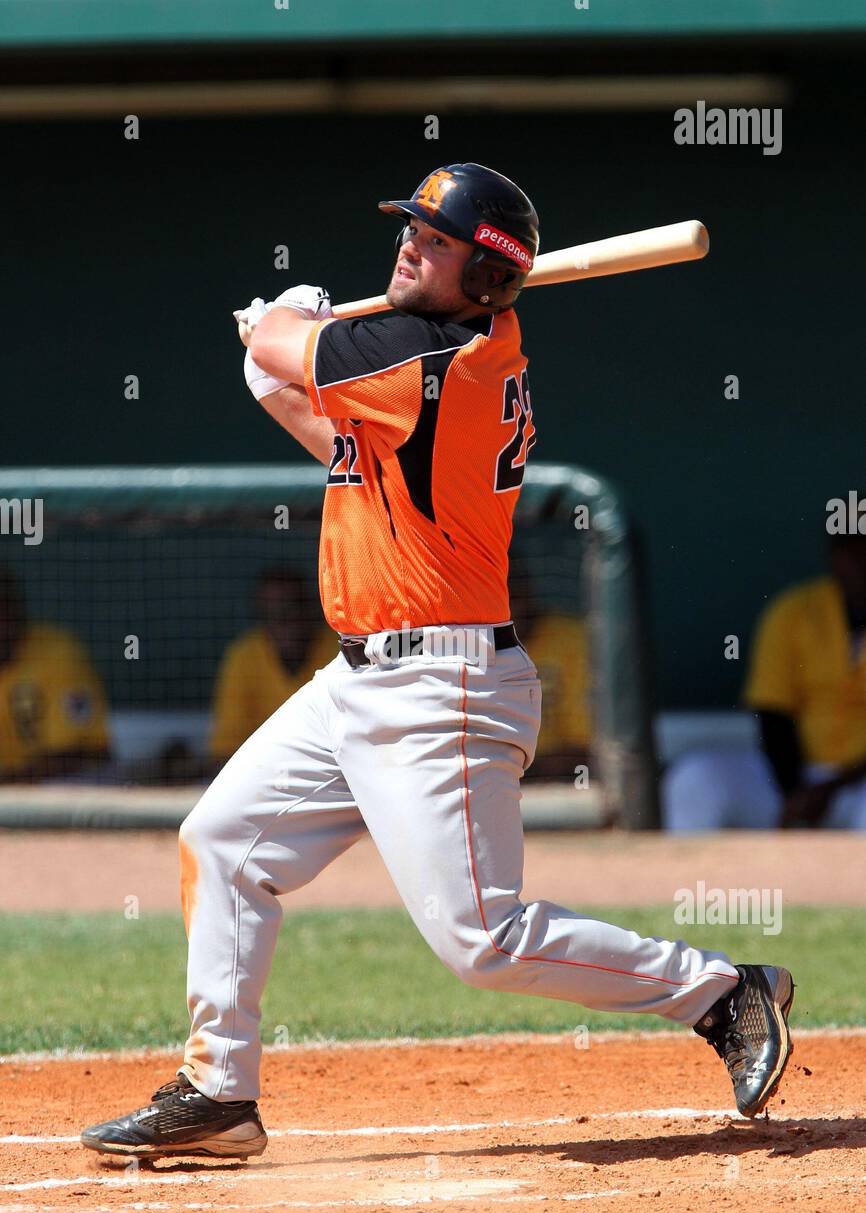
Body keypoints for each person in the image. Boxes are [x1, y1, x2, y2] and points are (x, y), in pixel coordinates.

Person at [81, 163, 794, 1161]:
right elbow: (340, 442)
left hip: (439, 690)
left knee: (481, 941)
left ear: (487, 275)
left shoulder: (434, 358)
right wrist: (277, 372)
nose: (409, 245)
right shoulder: (421, 353)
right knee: (224, 843)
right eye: (411, 228)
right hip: (357, 680)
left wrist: (275, 326)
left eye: (436, 238)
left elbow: (289, 345)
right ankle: (217, 1093)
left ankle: (723, 992)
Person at [663, 530, 866, 830]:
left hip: (858, 783)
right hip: (793, 776)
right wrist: (795, 793)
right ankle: (680, 876)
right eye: (851, 552)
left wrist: (831, 789)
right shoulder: (795, 611)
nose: (860, 564)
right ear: (834, 556)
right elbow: (773, 713)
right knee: (695, 779)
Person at [209, 567, 335, 764]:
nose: (283, 621)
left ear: (309, 609)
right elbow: (225, 749)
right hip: (264, 773)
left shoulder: (341, 650)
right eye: (271, 613)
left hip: (334, 770)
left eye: (291, 609)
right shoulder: (244, 656)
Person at [0, 566, 109, 783]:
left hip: (70, 789)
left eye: (6, 609)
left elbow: (82, 753)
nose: (6, 625)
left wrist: (9, 783)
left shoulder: (56, 653)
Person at [507, 564, 592, 781]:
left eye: (512, 596)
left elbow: (587, 750)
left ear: (526, 594)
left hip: (563, 786)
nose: (504, 609)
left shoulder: (572, 639)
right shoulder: (461, 647)